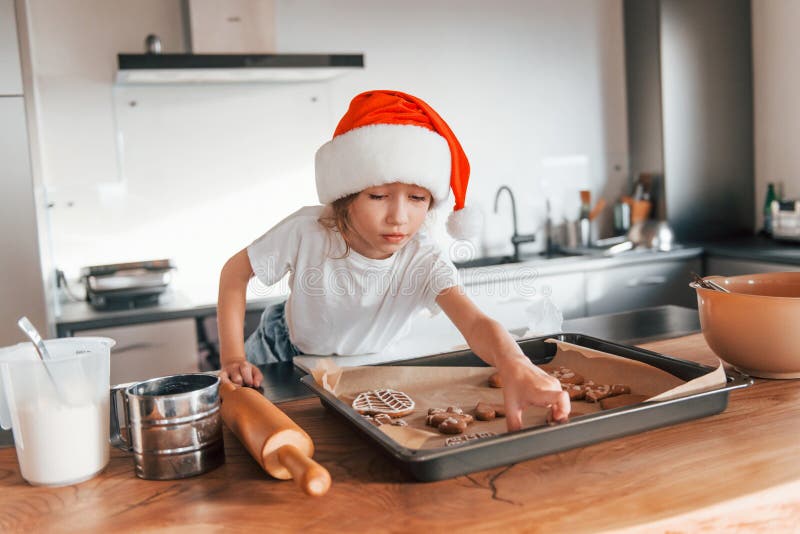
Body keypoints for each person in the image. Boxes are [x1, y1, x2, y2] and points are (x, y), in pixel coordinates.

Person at [217, 90, 570, 430]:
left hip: (364, 366)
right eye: (379, 195)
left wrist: (515, 364)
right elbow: (235, 272)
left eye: (417, 197)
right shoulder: (307, 230)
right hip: (281, 349)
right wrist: (233, 358)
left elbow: (476, 323)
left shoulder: (423, 259)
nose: (398, 216)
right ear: (346, 196)